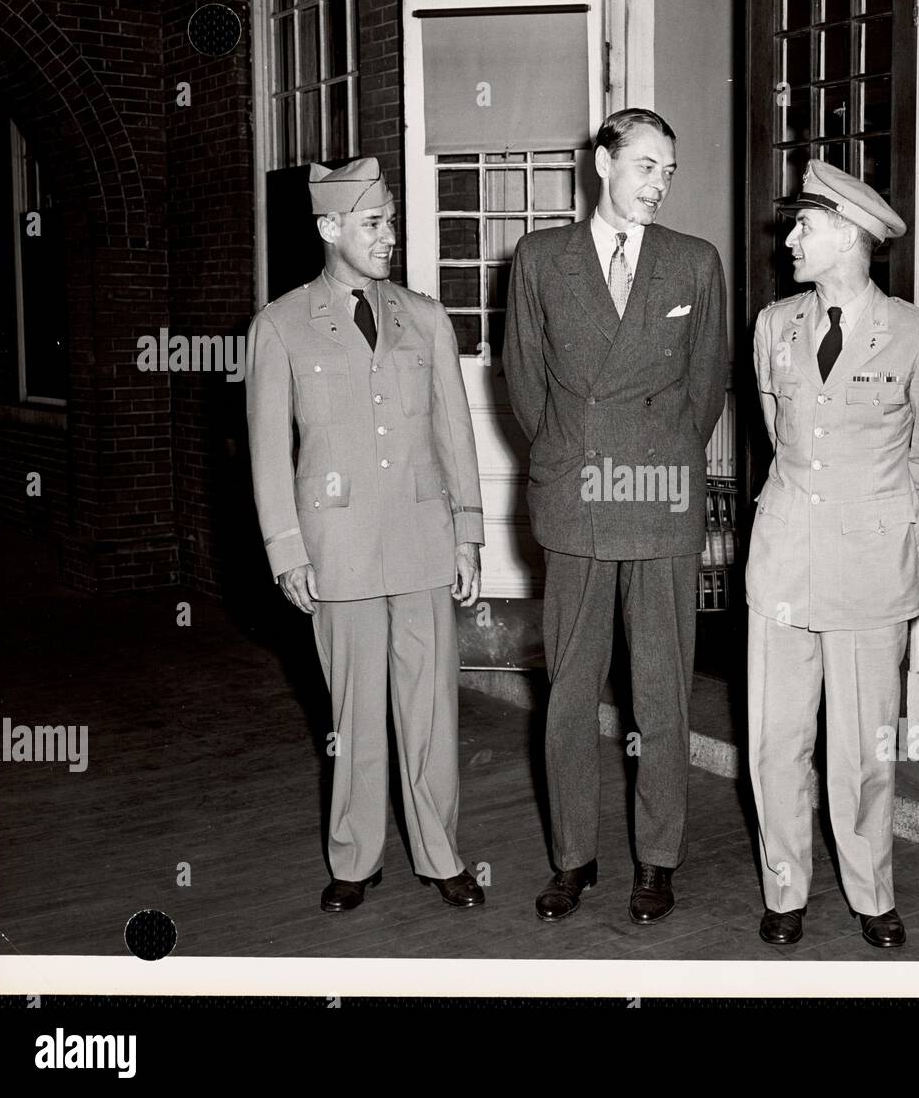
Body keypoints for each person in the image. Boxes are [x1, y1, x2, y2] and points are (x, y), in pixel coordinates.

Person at [503, 108, 728, 924]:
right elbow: (525, 385)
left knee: (660, 693)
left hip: (660, 499)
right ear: (601, 162)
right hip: (577, 503)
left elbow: (704, 393)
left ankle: (657, 859)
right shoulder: (538, 260)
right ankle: (574, 856)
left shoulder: (694, 264)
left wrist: (653, 457)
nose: (658, 184)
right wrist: (575, 457)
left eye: (669, 171)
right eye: (644, 166)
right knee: (567, 693)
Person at [246, 157, 486, 913]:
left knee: (431, 711)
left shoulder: (426, 317)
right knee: (352, 715)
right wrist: (286, 547)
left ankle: (440, 852)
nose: (390, 237)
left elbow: (455, 431)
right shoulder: (279, 325)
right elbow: (266, 451)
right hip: (337, 552)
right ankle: (354, 858)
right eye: (374, 224)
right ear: (329, 227)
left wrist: (470, 532)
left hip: (423, 541)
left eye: (390, 222)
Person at [746, 159, 919, 947]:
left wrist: (867, 515)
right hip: (783, 563)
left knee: (864, 747)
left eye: (805, 226)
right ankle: (784, 889)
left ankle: (871, 892)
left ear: (849, 235)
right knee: (776, 740)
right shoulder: (774, 325)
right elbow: (782, 433)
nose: (790, 240)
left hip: (871, 568)